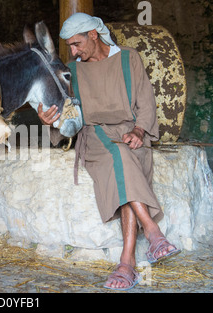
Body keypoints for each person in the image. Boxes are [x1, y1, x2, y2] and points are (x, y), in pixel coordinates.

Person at [38, 13, 180, 291]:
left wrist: (139, 132)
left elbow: (146, 104)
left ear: (94, 35)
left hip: (131, 133)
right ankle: (153, 232)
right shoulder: (71, 71)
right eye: (70, 47)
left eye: (77, 44)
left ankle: (126, 263)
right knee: (121, 158)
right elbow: (66, 118)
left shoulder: (129, 59)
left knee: (126, 163)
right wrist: (51, 121)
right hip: (96, 136)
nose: (74, 51)